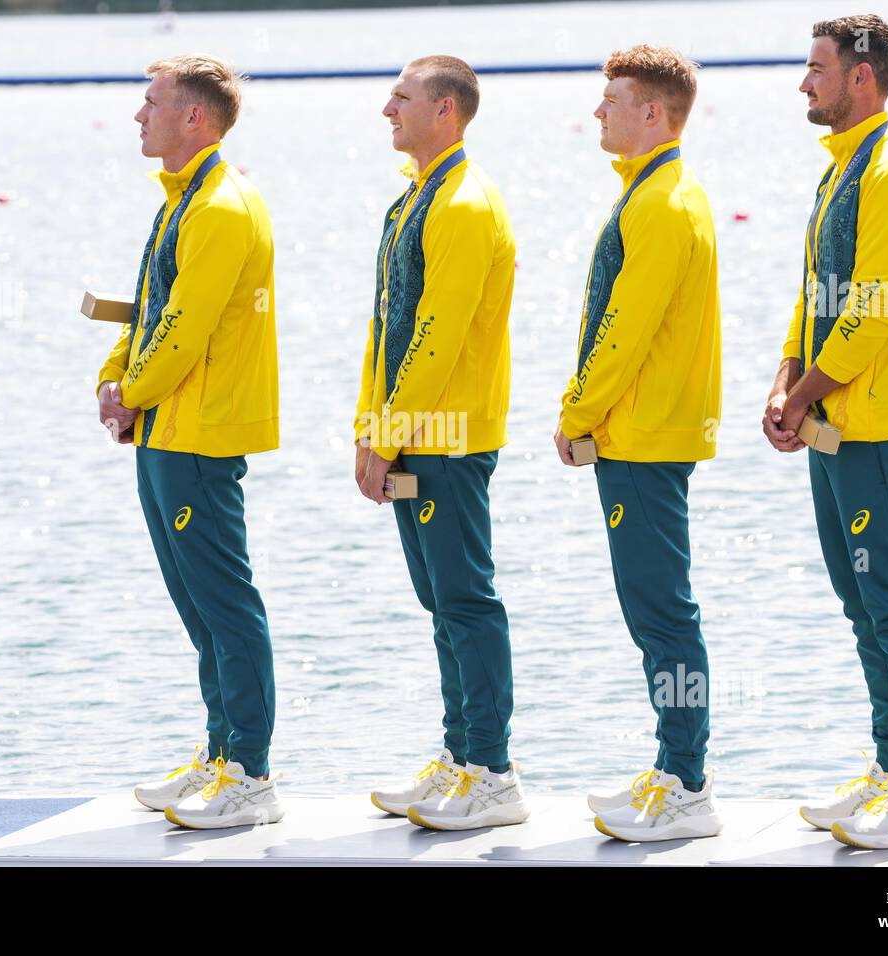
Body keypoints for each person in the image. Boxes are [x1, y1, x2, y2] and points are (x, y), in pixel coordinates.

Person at [761, 15, 888, 849]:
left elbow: (875, 316)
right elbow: (817, 296)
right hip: (835, 424)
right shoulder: (840, 173)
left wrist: (803, 395)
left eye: (817, 69)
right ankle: (887, 769)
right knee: (861, 604)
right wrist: (784, 383)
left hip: (879, 430)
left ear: (861, 78)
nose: (805, 83)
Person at [96, 54, 283, 829]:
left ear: (194, 119)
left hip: (198, 434)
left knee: (226, 604)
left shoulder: (221, 208)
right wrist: (112, 380)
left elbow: (182, 329)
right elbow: (146, 307)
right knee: (198, 607)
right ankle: (219, 753)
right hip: (163, 430)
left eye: (151, 104)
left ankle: (251, 774)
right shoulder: (181, 200)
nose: (139, 117)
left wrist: (130, 391)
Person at [553, 46, 723, 842]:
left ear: (653, 113)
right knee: (656, 612)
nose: (599, 112)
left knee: (663, 614)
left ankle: (687, 783)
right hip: (643, 433)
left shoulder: (659, 204)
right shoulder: (655, 194)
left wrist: (576, 411)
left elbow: (623, 330)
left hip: (645, 438)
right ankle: (674, 769)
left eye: (613, 99)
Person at [356, 55, 528, 831]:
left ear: (446, 110)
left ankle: (492, 771)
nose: (387, 110)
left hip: (450, 437)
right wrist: (372, 430)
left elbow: (437, 336)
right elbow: (384, 334)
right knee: (440, 604)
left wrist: (389, 435)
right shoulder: (412, 203)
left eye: (402, 99)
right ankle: (461, 756)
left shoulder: (463, 204)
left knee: (465, 599)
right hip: (412, 433)